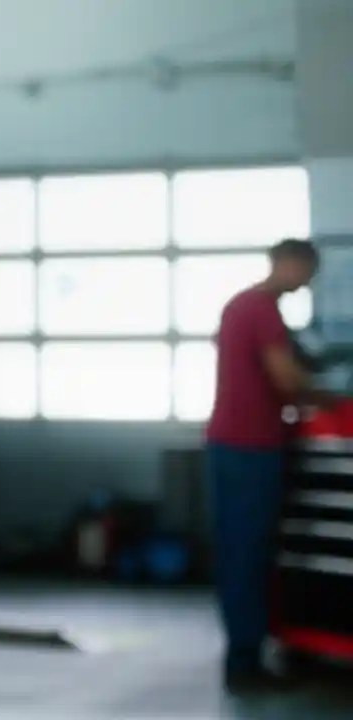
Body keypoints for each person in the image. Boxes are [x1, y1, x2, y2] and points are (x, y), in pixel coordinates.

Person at [204, 237, 335, 694]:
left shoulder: (242, 306)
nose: (308, 282)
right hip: (249, 448)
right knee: (248, 554)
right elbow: (285, 378)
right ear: (287, 263)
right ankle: (244, 665)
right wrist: (329, 398)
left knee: (243, 552)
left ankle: (247, 656)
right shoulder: (260, 309)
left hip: (236, 444)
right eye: (307, 271)